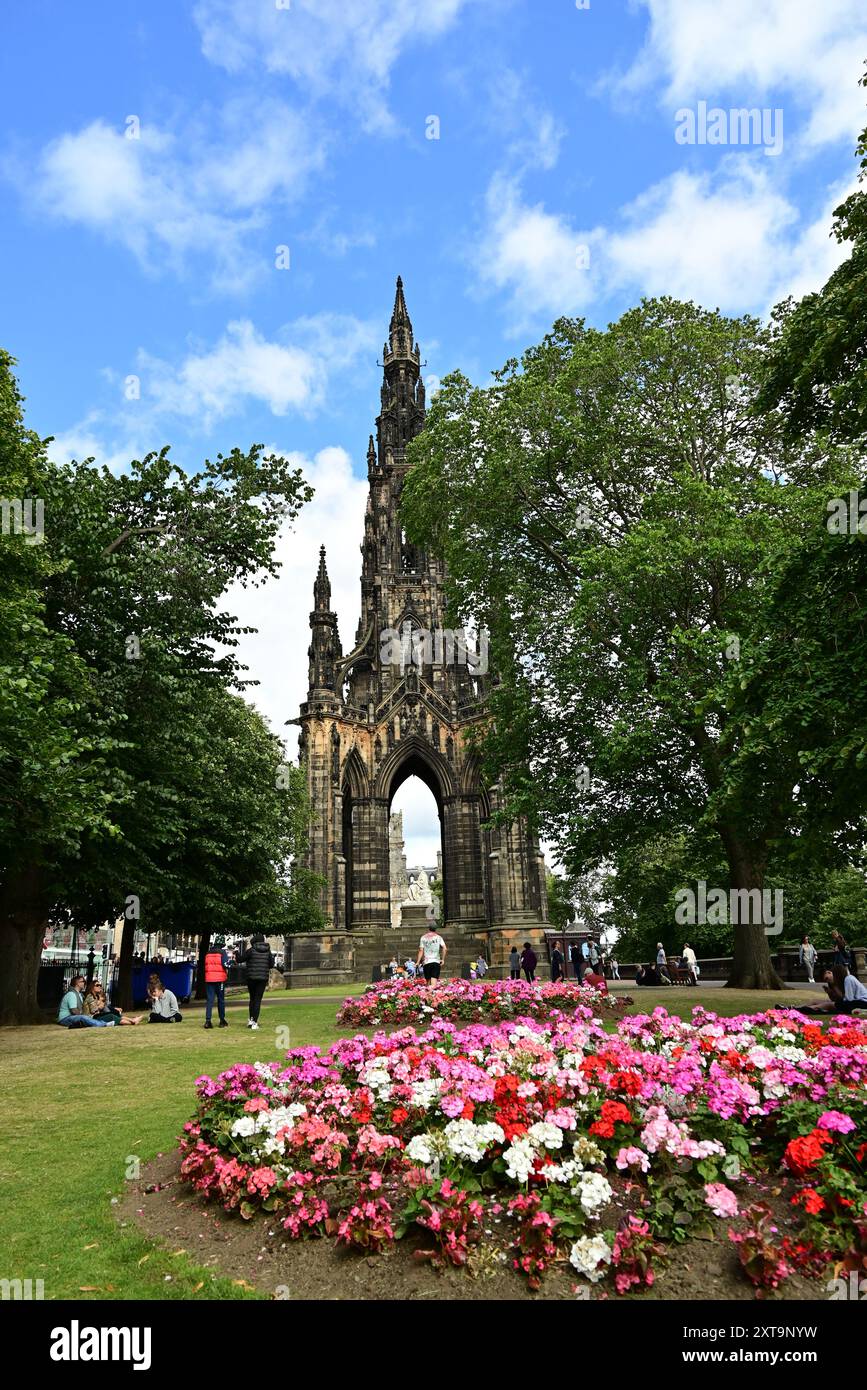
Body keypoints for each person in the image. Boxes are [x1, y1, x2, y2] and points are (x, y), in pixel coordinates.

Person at [241, 932, 274, 1031]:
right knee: (258, 1000)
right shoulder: (268, 951)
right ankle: (255, 1022)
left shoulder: (251, 950)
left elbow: (240, 959)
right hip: (262, 979)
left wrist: (238, 953)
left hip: (251, 978)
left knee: (252, 999)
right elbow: (271, 964)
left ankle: (251, 1020)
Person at [203, 937, 230, 1029]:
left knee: (210, 1000)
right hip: (220, 979)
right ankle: (222, 1020)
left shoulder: (208, 953)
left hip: (209, 979)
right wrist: (231, 963)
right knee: (221, 999)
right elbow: (226, 964)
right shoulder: (222, 952)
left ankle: (208, 1021)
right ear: (222, 944)